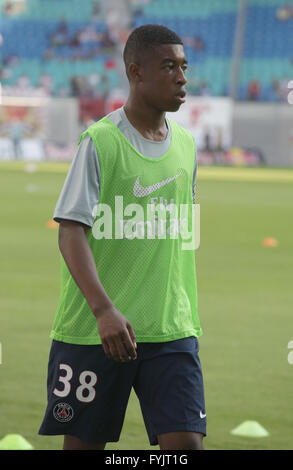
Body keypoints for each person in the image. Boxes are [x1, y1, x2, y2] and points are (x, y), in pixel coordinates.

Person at [39, 24, 206, 451]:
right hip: (97, 331)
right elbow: (71, 230)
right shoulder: (100, 142)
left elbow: (179, 238)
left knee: (186, 444)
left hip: (170, 329)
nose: (182, 77)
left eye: (184, 66)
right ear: (135, 72)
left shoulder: (187, 146)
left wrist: (179, 306)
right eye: (168, 66)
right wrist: (104, 310)